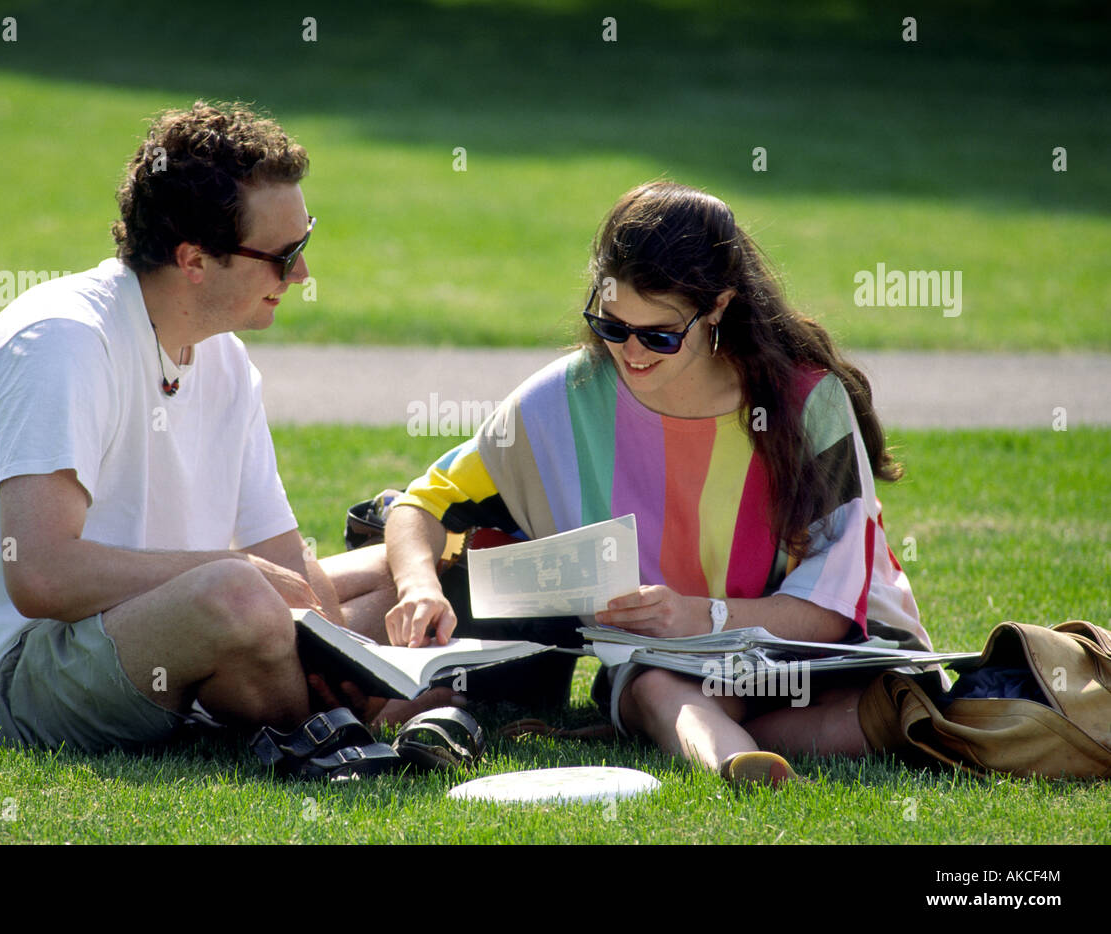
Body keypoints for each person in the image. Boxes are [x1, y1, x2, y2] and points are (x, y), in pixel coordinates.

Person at [383, 181, 934, 786]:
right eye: (612, 326)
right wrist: (417, 587)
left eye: (660, 335)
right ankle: (736, 763)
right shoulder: (562, 400)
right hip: (672, 669)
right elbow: (421, 503)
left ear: (719, 306)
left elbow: (830, 613)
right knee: (655, 689)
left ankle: (744, 736)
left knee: (874, 710)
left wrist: (697, 616)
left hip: (830, 660)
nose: (631, 352)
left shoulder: (810, 404)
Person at [0, 101, 406, 752]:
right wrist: (237, 571)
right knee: (237, 593)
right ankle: (364, 719)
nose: (302, 274)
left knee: (414, 563)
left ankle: (358, 704)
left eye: (305, 240)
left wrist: (345, 654)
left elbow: (284, 558)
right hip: (10, 679)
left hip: (162, 627)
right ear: (194, 260)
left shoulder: (223, 356)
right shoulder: (63, 340)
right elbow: (40, 574)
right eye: (286, 254)